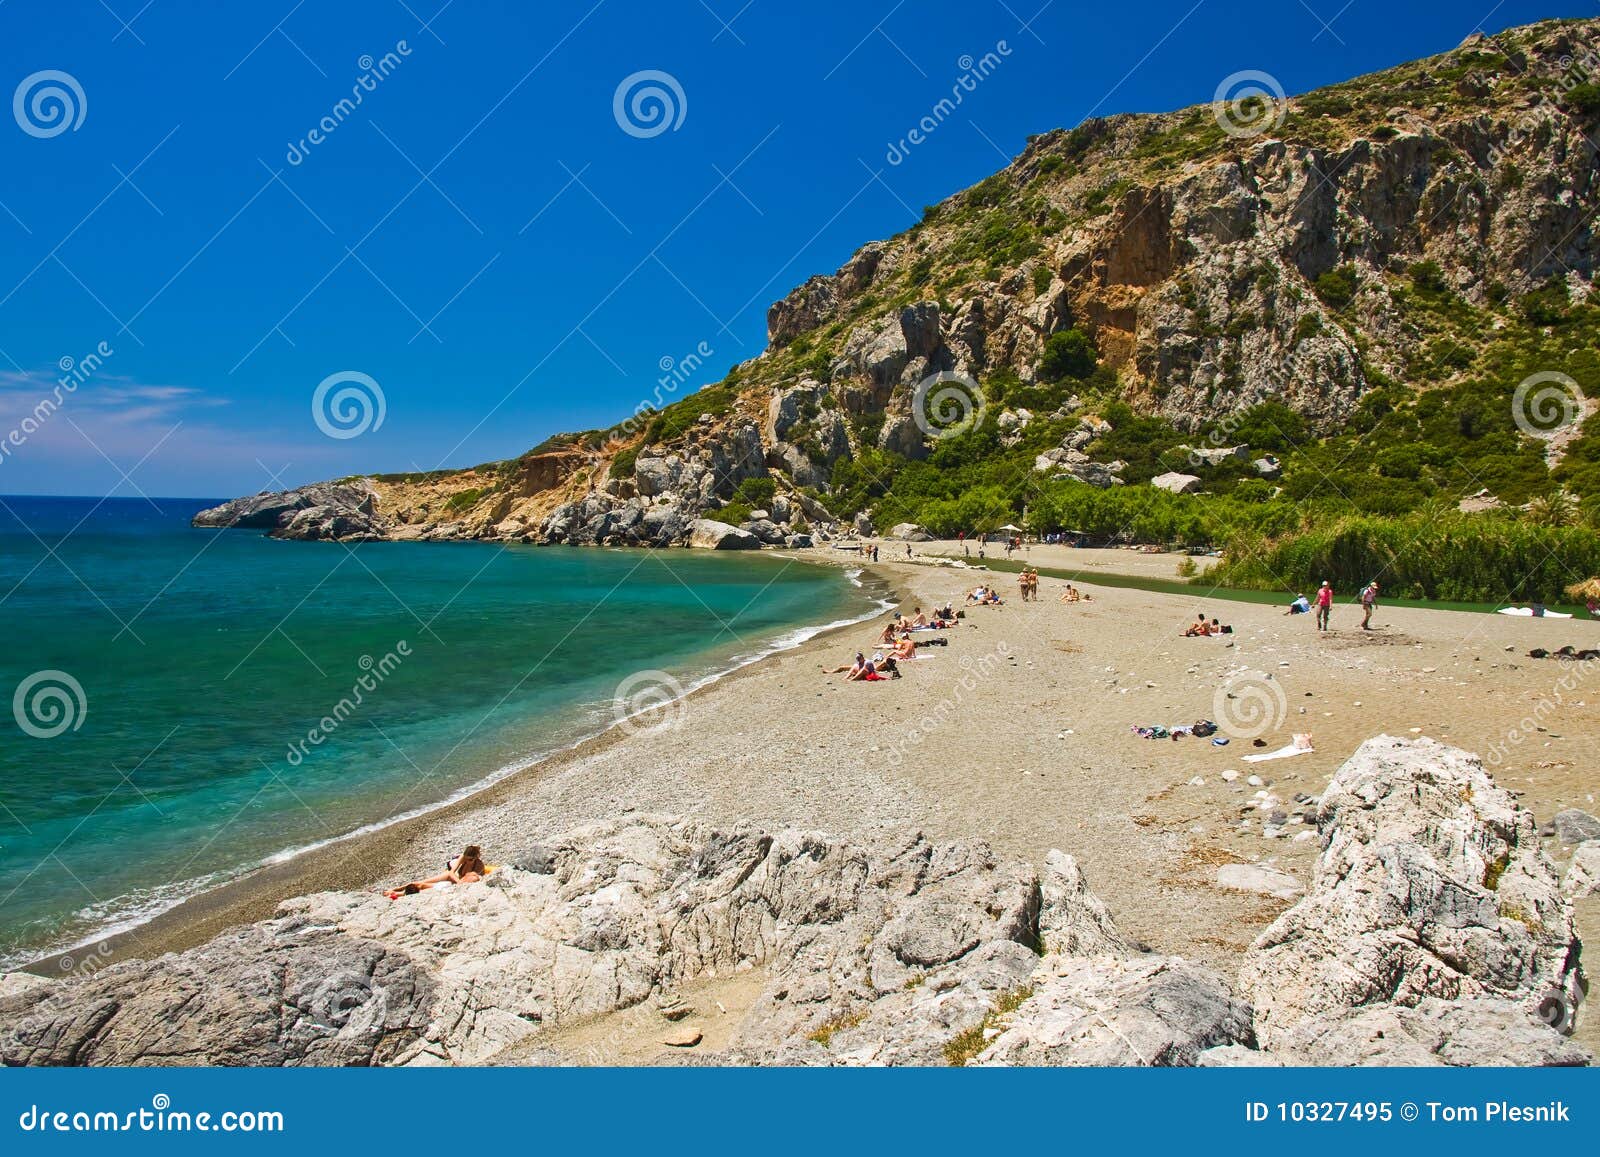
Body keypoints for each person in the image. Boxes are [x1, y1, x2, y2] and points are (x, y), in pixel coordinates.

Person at [386, 844, 488, 899]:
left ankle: (398, 894)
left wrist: (459, 882)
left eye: (469, 859)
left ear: (475, 858)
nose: (466, 860)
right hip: (454, 877)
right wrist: (458, 881)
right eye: (465, 858)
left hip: (456, 882)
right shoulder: (463, 857)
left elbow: (471, 879)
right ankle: (396, 889)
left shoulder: (479, 866)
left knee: (423, 886)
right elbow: (452, 872)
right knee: (423, 881)